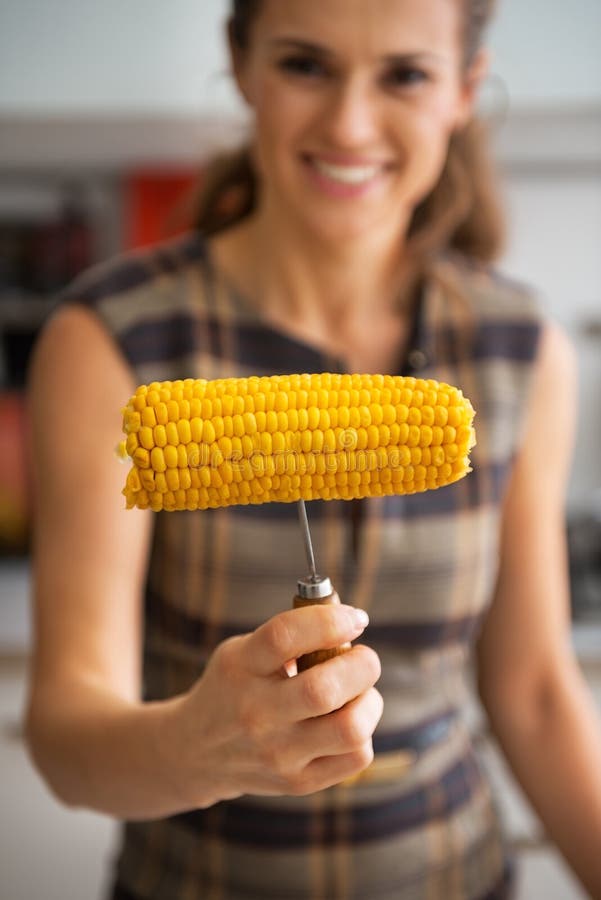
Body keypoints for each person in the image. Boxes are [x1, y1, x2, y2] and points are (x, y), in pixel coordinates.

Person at [25, 1, 601, 898]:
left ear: (462, 91)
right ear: (243, 68)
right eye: (305, 65)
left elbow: (531, 692)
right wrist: (195, 745)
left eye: (404, 74)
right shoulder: (110, 340)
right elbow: (66, 735)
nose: (349, 124)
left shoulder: (522, 348)